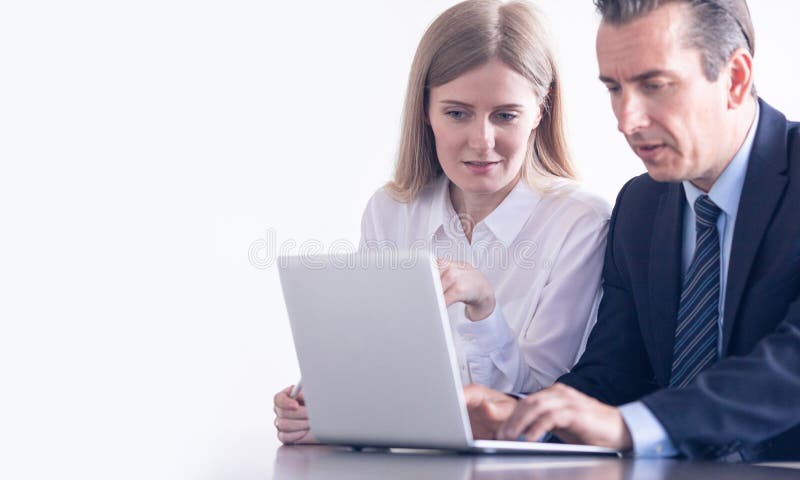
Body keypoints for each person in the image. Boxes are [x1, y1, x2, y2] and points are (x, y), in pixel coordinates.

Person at [465, 0, 800, 462]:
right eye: (614, 88)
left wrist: (632, 425)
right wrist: (523, 417)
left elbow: (792, 365)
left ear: (735, 78)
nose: (627, 121)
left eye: (654, 86)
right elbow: (614, 375)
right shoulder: (640, 205)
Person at [274, 0, 610, 445]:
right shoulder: (391, 211)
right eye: (456, 113)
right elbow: (373, 359)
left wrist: (484, 309)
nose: (481, 140)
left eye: (505, 115)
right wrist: (321, 407)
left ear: (540, 110)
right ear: (426, 111)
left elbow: (536, 400)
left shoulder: (579, 221)